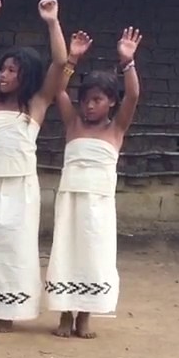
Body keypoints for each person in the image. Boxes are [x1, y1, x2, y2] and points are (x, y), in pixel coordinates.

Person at [0, 0, 69, 332]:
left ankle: (7, 312)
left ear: (27, 77)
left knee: (13, 247)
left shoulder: (37, 103)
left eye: (13, 71)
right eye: (3, 69)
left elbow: (60, 62)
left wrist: (52, 21)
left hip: (20, 187)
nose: (3, 75)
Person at [47, 28, 141, 339]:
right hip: (70, 201)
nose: (89, 106)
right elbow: (59, 92)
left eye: (97, 100)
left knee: (93, 256)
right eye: (86, 100)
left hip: (99, 205)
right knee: (67, 252)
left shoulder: (116, 128)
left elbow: (133, 96)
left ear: (111, 102)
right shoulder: (73, 123)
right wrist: (72, 59)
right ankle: (65, 314)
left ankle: (85, 315)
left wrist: (127, 62)